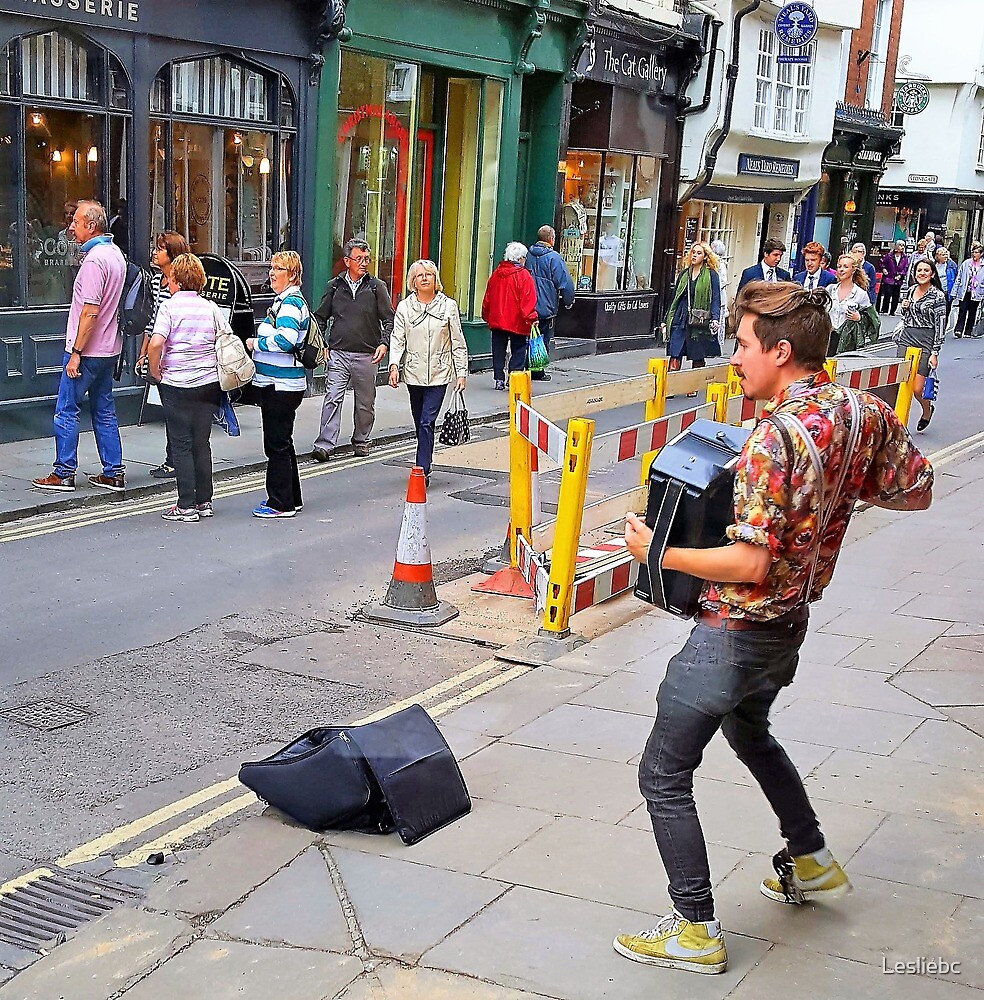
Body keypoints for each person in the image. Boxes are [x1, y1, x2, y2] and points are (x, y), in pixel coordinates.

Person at [617, 280, 934, 977]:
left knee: (662, 771)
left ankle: (694, 928)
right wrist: (830, 501)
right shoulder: (861, 410)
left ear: (781, 351)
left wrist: (656, 552)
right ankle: (811, 858)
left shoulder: (772, 439)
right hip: (790, 626)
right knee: (750, 732)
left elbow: (750, 562)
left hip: (734, 630)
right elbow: (916, 487)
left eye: (744, 346)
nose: (735, 360)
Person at [33, 200, 127, 493]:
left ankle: (63, 472)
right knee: (104, 411)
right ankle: (113, 472)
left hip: (87, 351)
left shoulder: (94, 261)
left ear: (91, 226)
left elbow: (90, 311)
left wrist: (75, 352)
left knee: (66, 409)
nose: (71, 227)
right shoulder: (115, 255)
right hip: (109, 349)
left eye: (75, 222)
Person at [146, 253, 221, 522]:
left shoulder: (169, 308)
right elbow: (225, 339)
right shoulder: (211, 308)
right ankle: (205, 502)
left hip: (177, 383)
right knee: (202, 443)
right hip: (208, 384)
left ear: (175, 280)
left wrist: (155, 372)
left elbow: (155, 344)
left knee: (181, 444)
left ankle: (186, 505)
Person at [311, 238, 394, 461]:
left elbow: (389, 319)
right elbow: (319, 317)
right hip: (338, 353)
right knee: (332, 398)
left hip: (368, 355)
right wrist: (323, 345)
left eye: (367, 259)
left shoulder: (377, 287)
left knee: (365, 403)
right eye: (359, 259)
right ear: (347, 261)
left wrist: (384, 343)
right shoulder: (334, 286)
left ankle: (361, 440)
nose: (364, 263)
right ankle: (325, 444)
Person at [388, 259, 468, 485]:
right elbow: (397, 338)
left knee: (426, 421)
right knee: (419, 421)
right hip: (413, 373)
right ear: (412, 282)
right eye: (419, 275)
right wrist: (394, 365)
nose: (424, 278)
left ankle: (422, 467)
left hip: (439, 373)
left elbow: (458, 342)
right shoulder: (405, 307)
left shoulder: (448, 306)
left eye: (429, 274)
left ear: (435, 280)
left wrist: (461, 372)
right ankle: (426, 456)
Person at [246, 251, 310, 518]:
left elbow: (287, 341)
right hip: (280, 383)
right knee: (283, 442)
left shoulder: (291, 304)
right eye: (271, 267)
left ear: (292, 274)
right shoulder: (283, 301)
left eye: (278, 268)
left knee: (276, 444)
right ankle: (291, 498)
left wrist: (255, 343)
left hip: (281, 384)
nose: (272, 273)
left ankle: (279, 503)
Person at [136, 231, 190, 479]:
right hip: (161, 352)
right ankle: (173, 459)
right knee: (170, 409)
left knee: (180, 411)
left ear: (173, 254)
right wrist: (144, 354)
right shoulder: (157, 282)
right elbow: (152, 322)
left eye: (160, 249)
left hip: (181, 354)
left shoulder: (185, 282)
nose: (155, 253)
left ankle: (179, 459)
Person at [898, 259, 946, 431]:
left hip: (925, 340)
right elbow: (906, 316)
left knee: (918, 388)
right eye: (919, 270)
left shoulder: (938, 296)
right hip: (907, 337)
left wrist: (935, 352)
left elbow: (940, 325)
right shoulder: (910, 290)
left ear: (932, 274)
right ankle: (899, 423)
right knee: (901, 383)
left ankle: (927, 410)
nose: (922, 273)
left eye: (926, 270)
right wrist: (904, 307)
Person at [482, 242, 538, 391]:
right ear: (520, 258)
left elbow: (488, 297)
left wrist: (486, 314)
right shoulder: (524, 276)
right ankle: (513, 377)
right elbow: (527, 300)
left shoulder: (496, 274)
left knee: (498, 349)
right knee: (519, 348)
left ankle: (499, 378)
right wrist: (532, 318)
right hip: (517, 321)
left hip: (498, 320)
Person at [664, 242, 722, 380]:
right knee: (675, 351)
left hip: (699, 320)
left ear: (706, 257)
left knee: (697, 354)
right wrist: (665, 320)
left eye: (699, 253)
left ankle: (694, 384)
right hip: (681, 316)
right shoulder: (684, 274)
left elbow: (715, 299)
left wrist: (715, 318)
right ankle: (671, 385)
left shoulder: (711, 275)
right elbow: (674, 298)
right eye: (693, 252)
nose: (695, 255)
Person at [525, 225, 575, 382]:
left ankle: (525, 367)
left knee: (528, 337)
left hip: (528, 303)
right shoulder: (554, 257)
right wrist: (568, 300)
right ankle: (537, 371)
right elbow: (564, 282)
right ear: (551, 239)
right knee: (542, 338)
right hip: (546, 305)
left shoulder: (528, 254)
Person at [827, 253, 876, 355]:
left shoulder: (860, 294)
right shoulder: (830, 289)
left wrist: (859, 318)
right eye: (839, 266)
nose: (841, 269)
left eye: (845, 267)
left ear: (853, 270)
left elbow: (873, 320)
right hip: (827, 339)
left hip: (847, 342)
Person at [951, 243, 984, 338]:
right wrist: (954, 292)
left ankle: (968, 331)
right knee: (962, 310)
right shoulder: (966, 263)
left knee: (972, 311)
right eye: (973, 252)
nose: (974, 254)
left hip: (977, 292)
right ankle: (958, 330)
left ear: (981, 254)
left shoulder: (983, 265)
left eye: (977, 252)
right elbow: (959, 277)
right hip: (965, 290)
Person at [877, 240, 908, 316]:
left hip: (898, 279)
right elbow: (881, 262)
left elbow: (905, 267)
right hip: (889, 278)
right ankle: (885, 309)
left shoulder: (904, 257)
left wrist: (900, 275)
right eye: (900, 245)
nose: (902, 247)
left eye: (903, 246)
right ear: (896, 246)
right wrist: (884, 269)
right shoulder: (889, 255)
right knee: (887, 293)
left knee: (896, 295)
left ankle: (892, 311)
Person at [933, 247, 958, 316]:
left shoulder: (951, 265)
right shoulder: (933, 265)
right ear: (938, 256)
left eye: (946, 254)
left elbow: (956, 279)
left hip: (946, 291)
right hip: (935, 291)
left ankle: (943, 325)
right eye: (943, 255)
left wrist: (954, 292)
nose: (945, 256)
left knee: (946, 311)